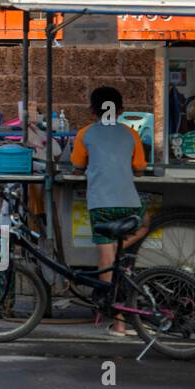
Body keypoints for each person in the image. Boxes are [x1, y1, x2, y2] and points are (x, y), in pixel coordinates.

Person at [70, 85, 148, 337]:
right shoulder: (130, 134)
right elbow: (139, 168)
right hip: (130, 204)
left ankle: (119, 324)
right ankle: (118, 257)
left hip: (101, 204)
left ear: (92, 112)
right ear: (121, 111)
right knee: (146, 224)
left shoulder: (85, 134)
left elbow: (77, 167)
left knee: (107, 261)